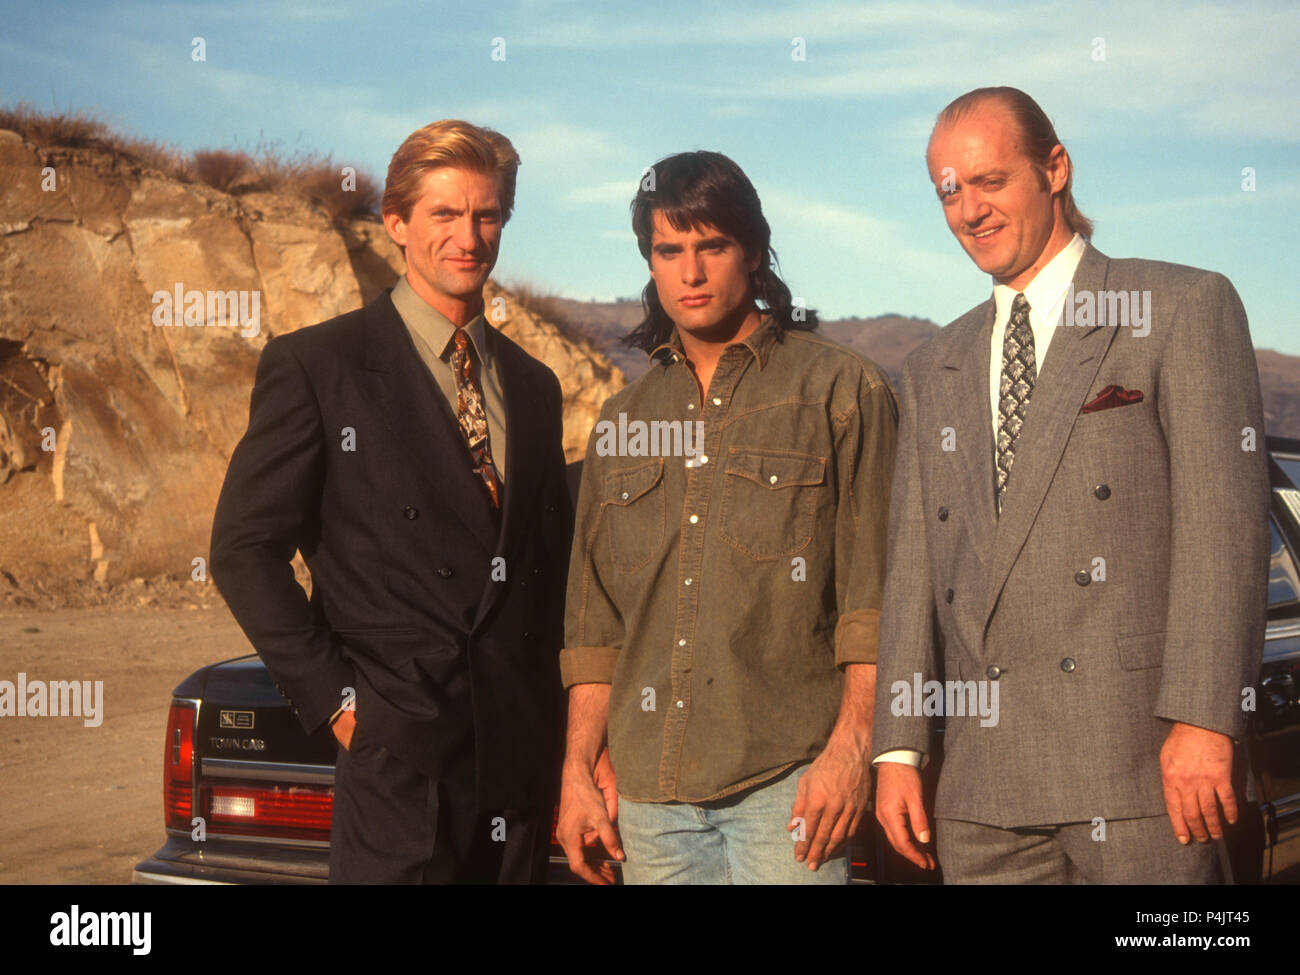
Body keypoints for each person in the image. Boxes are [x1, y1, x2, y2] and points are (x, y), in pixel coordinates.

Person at [871, 87, 1270, 883]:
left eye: (990, 181)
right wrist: (897, 746)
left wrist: (1204, 721)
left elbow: (1222, 535)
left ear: (1055, 168)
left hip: (1144, 773)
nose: (968, 210)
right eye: (949, 190)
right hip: (980, 793)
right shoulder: (931, 366)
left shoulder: (1179, 307)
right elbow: (915, 571)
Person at [210, 119, 572, 884]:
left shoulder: (535, 387)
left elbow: (546, 571)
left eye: (487, 214)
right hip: (400, 762)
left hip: (517, 766)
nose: (468, 236)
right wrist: (342, 702)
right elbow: (244, 548)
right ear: (397, 223)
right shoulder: (320, 365)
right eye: (444, 214)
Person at [556, 150, 897, 884]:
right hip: (650, 798)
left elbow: (875, 600)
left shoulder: (842, 390)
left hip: (790, 784)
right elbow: (594, 630)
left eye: (711, 245)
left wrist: (851, 748)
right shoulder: (623, 420)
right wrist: (578, 768)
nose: (691, 271)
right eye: (668, 250)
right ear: (649, 261)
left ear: (752, 251)